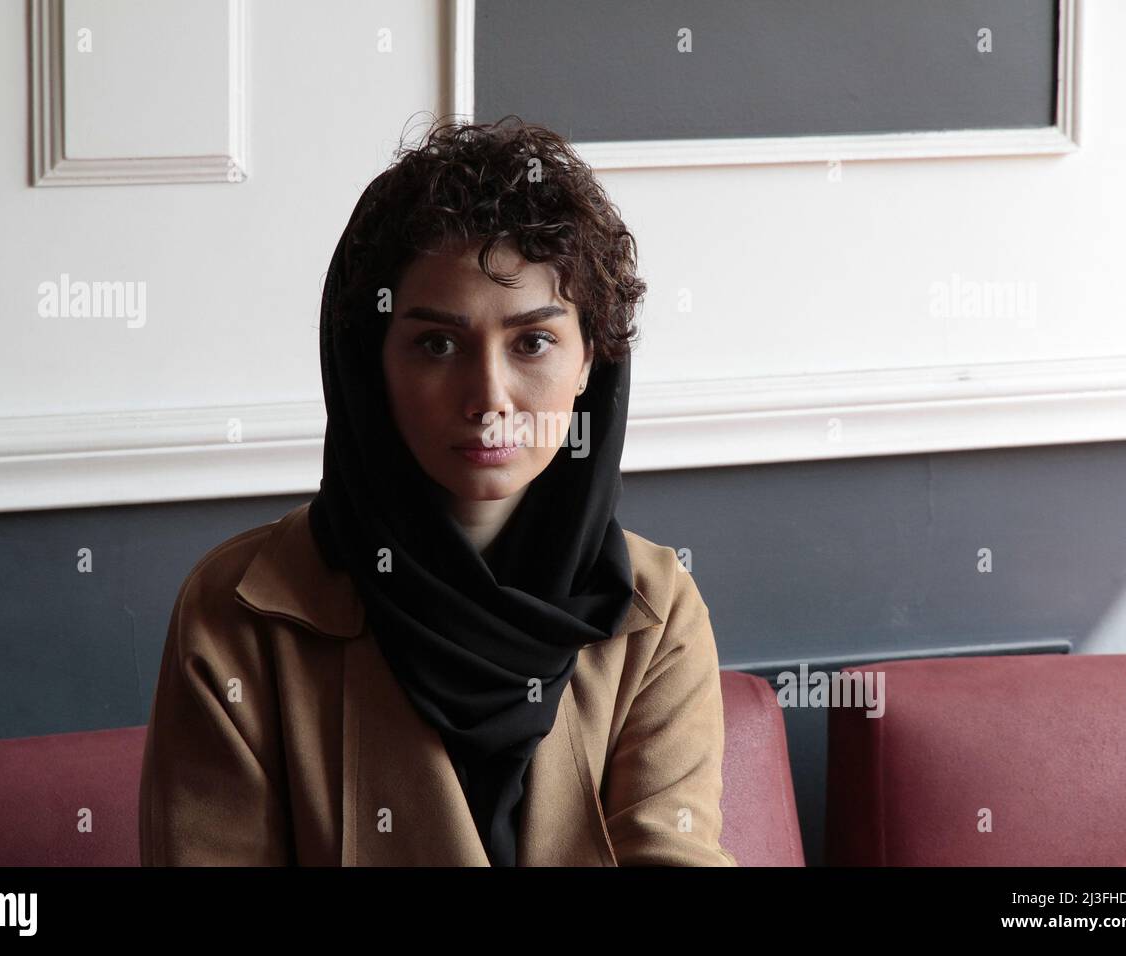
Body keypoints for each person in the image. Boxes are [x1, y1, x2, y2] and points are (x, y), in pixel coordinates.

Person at [139, 115, 738, 866]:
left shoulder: (655, 610)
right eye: (437, 343)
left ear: (593, 360)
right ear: (371, 364)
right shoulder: (241, 614)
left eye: (533, 341)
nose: (489, 396)